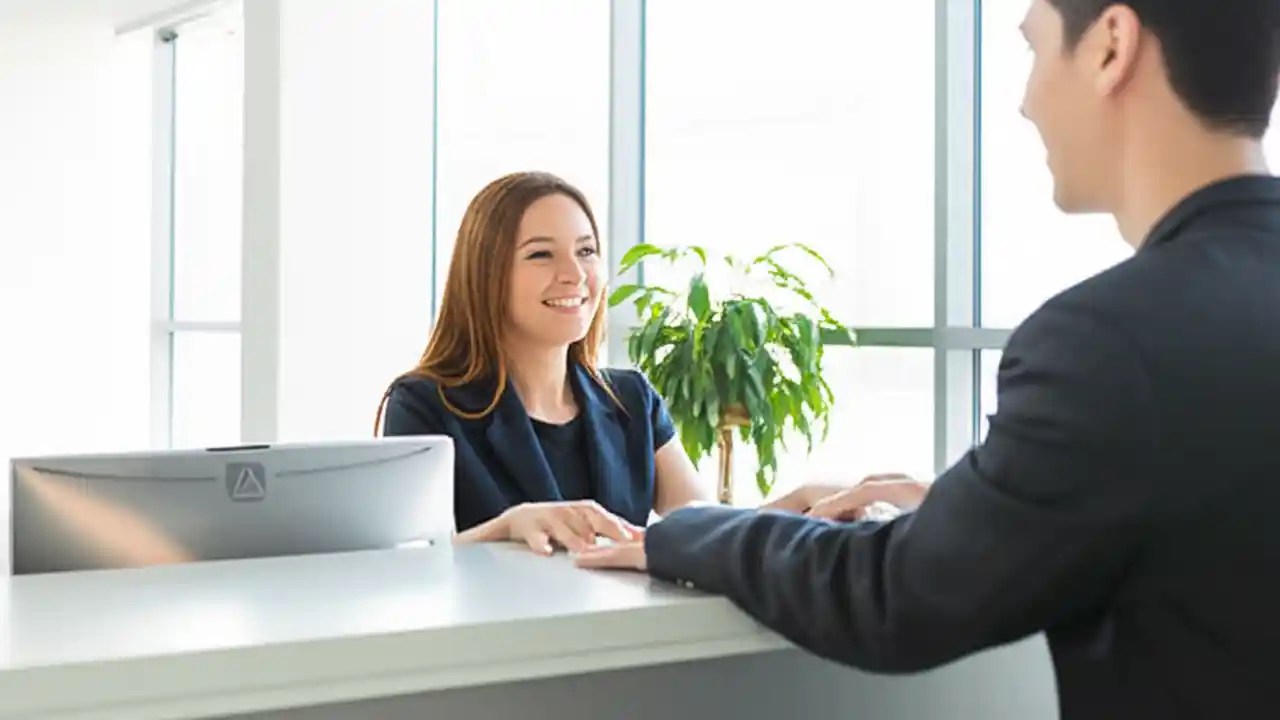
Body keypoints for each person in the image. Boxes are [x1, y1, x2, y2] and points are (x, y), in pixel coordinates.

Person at [576, 1, 1280, 717]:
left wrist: (685, 533)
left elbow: (893, 597)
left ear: (1110, 46)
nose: (1026, 101)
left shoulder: (1108, 341)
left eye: (1034, 51)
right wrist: (973, 504)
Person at [377, 171, 708, 555]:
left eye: (586, 251)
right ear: (486, 275)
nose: (575, 274)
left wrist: (784, 519)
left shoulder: (631, 398)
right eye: (541, 254)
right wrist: (505, 528)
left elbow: (705, 521)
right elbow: (409, 562)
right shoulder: (424, 405)